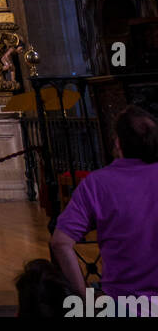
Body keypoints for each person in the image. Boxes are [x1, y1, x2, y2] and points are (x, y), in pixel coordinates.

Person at [50, 105, 158, 298]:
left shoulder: (98, 183)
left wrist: (84, 297)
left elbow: (60, 242)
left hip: (124, 301)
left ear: (118, 142)